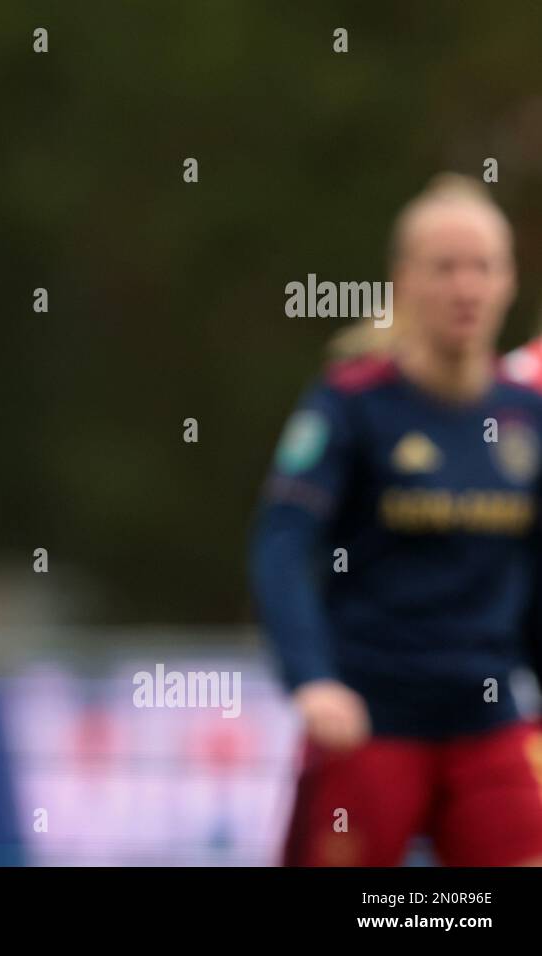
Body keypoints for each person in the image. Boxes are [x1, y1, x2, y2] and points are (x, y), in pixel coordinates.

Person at [251, 173, 542, 866]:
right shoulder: (353, 404)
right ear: (404, 279)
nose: (465, 287)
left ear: (508, 282)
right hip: (369, 721)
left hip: (487, 719)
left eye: (483, 268)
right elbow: (282, 542)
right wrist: (311, 678)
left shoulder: (524, 417)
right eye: (445, 268)